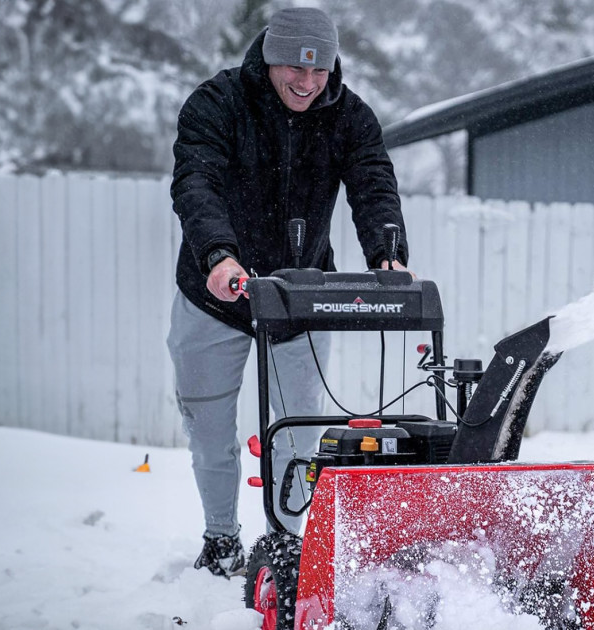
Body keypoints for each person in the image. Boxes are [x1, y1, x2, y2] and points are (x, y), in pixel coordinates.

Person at [167, 7, 409, 578]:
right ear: (269, 58)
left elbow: (373, 182)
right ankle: (221, 537)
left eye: (319, 71)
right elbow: (194, 181)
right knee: (209, 426)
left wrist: (387, 253)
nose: (306, 83)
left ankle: (285, 544)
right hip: (215, 293)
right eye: (293, 70)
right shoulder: (218, 102)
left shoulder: (349, 117)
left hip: (301, 297)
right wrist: (218, 255)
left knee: (300, 432)